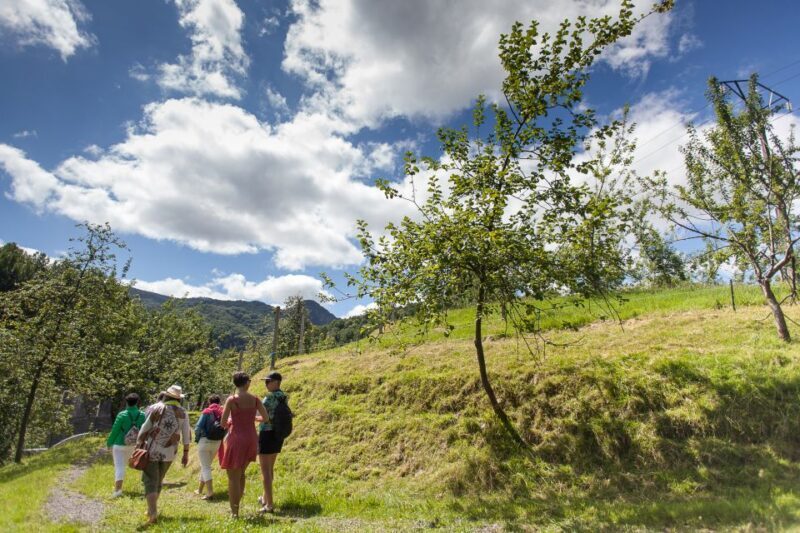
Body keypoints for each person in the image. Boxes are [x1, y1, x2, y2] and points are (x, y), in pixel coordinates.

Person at [136, 385, 191, 525]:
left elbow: (145, 427)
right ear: (179, 399)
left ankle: (153, 512)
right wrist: (186, 453)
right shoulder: (183, 412)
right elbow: (186, 435)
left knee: (150, 480)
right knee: (159, 480)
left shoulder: (157, 408)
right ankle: (151, 510)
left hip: (152, 449)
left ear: (166, 396)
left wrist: (138, 444)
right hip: (170, 452)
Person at [219, 372, 268, 518]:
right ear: (246, 383)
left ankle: (235, 513)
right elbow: (265, 418)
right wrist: (252, 418)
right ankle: (236, 507)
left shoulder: (232, 400)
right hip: (251, 438)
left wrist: (232, 421)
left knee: (233, 477)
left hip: (236, 439)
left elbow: (223, 423)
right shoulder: (255, 399)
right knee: (241, 474)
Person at [258, 371, 288, 513]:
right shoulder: (283, 396)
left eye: (268, 381)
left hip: (266, 434)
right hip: (278, 434)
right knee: (270, 469)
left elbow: (263, 416)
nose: (266, 384)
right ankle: (265, 498)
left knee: (265, 471)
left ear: (276, 382)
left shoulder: (269, 397)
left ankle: (269, 504)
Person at [105, 393, 145, 497]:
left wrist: (109, 443)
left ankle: (118, 490)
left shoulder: (122, 415)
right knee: (127, 465)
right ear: (137, 402)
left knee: (119, 467)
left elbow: (115, 430)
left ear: (126, 402)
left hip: (119, 444)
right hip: (133, 445)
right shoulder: (142, 415)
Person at [194, 394, 224, 499]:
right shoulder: (222, 412)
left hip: (204, 441)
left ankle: (210, 492)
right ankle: (199, 489)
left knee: (205, 466)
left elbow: (198, 427)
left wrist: (197, 438)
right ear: (219, 402)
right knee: (206, 465)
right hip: (217, 442)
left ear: (209, 402)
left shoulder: (207, 411)